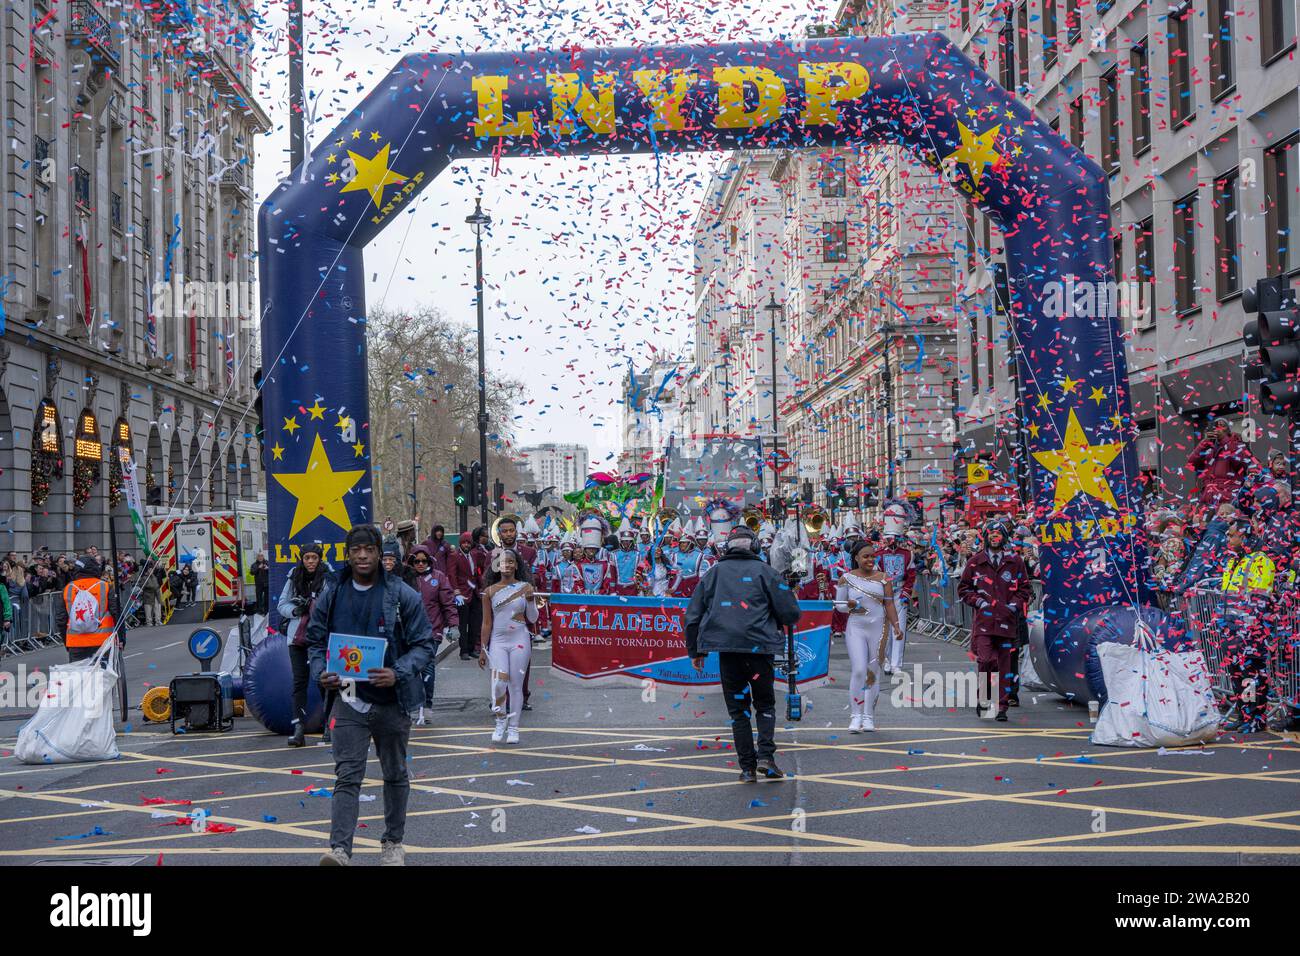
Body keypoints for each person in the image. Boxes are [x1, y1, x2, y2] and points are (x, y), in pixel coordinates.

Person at [308, 524, 435, 866]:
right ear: (347, 555)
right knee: (347, 776)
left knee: (394, 774)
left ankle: (393, 843)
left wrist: (398, 671)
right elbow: (316, 639)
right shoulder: (332, 592)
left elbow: (425, 644)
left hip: (393, 701)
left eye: (369, 549)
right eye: (355, 550)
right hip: (348, 697)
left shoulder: (401, 594)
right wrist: (322, 671)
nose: (362, 555)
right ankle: (340, 850)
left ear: (380, 553)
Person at [685, 526, 802, 782]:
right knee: (764, 705)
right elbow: (791, 614)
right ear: (756, 548)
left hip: (727, 650)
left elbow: (692, 615)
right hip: (760, 650)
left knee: (738, 711)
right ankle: (766, 757)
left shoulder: (713, 573)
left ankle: (747, 768)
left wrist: (696, 651)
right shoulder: (766, 572)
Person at [957, 517, 1030, 721]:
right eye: (991, 534)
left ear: (1004, 537)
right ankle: (984, 698)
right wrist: (978, 602)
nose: (995, 538)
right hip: (984, 623)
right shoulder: (975, 562)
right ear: (986, 537)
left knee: (1005, 664)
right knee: (986, 661)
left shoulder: (1015, 562)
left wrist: (1014, 605)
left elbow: (1025, 589)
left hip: (1007, 622)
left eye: (998, 534)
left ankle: (1002, 706)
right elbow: (963, 589)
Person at [1217, 519, 1277, 733]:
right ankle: (1244, 714)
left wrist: (1247, 630)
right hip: (1232, 627)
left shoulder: (1260, 561)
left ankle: (1256, 718)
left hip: (1250, 631)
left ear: (1243, 537)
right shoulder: (1236, 560)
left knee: (1251, 675)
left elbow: (1258, 600)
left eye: (1231, 535)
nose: (1228, 539)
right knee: (1236, 674)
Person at [838, 541, 902, 732]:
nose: (870, 560)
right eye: (865, 556)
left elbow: (889, 605)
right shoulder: (846, 578)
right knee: (859, 670)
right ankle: (855, 715)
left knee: (873, 672)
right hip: (856, 628)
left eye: (872, 556)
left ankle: (868, 716)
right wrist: (848, 605)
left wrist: (896, 627)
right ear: (856, 558)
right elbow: (839, 605)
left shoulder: (884, 579)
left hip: (879, 629)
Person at [478, 548, 539, 744]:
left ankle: (514, 728)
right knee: (498, 685)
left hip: (520, 640)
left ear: (516, 565)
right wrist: (482, 648)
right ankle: (500, 720)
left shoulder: (525, 587)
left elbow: (533, 618)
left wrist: (530, 600)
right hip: (498, 642)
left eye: (511, 562)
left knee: (515, 686)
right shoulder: (488, 592)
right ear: (497, 565)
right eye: (503, 562)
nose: (507, 565)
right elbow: (487, 623)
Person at [278, 544, 331, 747]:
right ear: (301, 559)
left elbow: (332, 604)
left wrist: (316, 607)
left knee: (323, 681)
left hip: (319, 638)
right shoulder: (294, 576)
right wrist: (295, 610)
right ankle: (298, 729)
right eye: (307, 557)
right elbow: (281, 604)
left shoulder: (327, 577)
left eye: (314, 558)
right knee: (299, 683)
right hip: (297, 638)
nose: (310, 561)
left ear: (319, 559)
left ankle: (329, 726)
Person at [409, 545, 458, 722]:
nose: (420, 564)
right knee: (411, 670)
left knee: (428, 668)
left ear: (429, 561)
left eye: (424, 561)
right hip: (409, 633)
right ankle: (412, 706)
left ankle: (427, 706)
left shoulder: (439, 578)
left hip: (432, 631)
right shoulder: (406, 579)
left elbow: (448, 603)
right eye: (417, 561)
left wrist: (453, 625)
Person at [56, 553, 121, 663]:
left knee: (80, 678)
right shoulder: (104, 586)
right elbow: (117, 613)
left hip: (76, 643)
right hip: (102, 641)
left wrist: (67, 642)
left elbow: (61, 619)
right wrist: (121, 637)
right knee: (105, 677)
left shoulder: (68, 589)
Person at [1188, 419, 1256, 511]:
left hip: (1227, 502)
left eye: (1221, 425)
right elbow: (1191, 463)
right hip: (1207, 501)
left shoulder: (1238, 445)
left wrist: (1224, 439)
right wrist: (1205, 442)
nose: (1218, 429)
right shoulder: (1208, 449)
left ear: (1228, 430)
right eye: (1216, 426)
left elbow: (1241, 463)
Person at [449, 531, 484, 660]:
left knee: (475, 623)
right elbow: (451, 575)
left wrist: (482, 587)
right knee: (463, 624)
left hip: (475, 593)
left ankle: (472, 648)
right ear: (460, 543)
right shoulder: (455, 556)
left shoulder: (474, 556)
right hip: (462, 594)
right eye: (464, 542)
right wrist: (455, 591)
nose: (466, 545)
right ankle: (463, 651)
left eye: (468, 542)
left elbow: (477, 573)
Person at [139, 563, 163, 627]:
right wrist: (149, 586)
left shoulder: (154, 577)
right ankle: (149, 622)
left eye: (152, 570)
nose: (151, 571)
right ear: (147, 570)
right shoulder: (144, 578)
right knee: (148, 609)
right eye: (149, 570)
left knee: (157, 608)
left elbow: (157, 585)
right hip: (148, 595)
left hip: (155, 594)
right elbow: (142, 586)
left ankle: (158, 621)